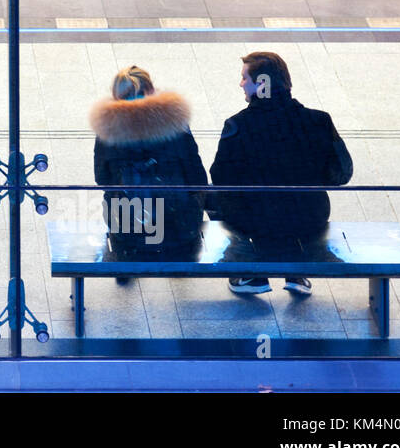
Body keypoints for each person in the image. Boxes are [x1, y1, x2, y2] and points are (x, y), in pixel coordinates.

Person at [209, 51, 354, 297]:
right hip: (309, 218)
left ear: (262, 84)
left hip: (257, 223)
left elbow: (221, 177)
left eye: (245, 78)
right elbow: (342, 173)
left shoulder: (238, 124)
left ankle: (250, 272)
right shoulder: (318, 120)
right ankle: (296, 271)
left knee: (210, 197)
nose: (241, 84)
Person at [89, 66, 208, 274]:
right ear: (151, 89)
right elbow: (197, 177)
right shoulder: (176, 124)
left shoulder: (108, 130)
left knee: (114, 196)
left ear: (117, 96)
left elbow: (102, 179)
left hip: (129, 233)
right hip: (179, 231)